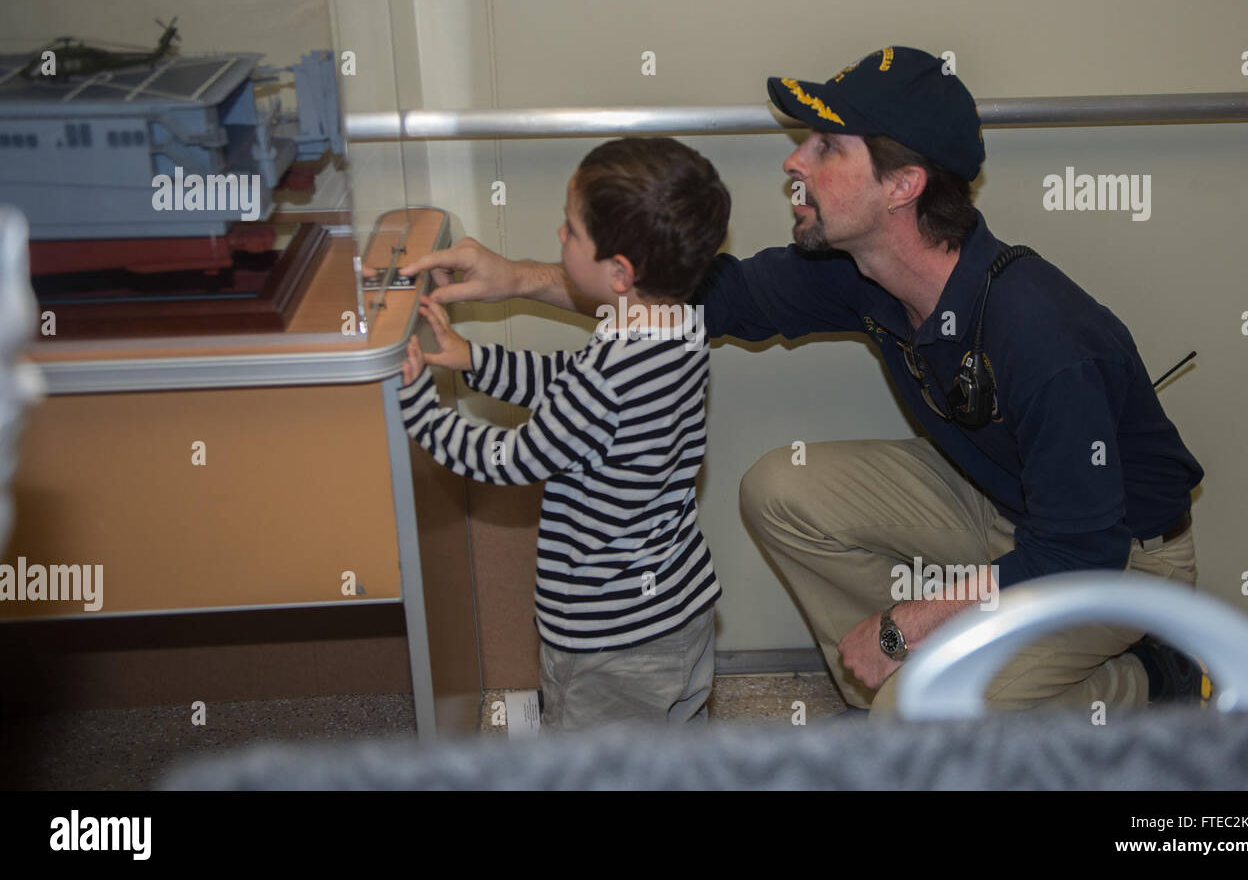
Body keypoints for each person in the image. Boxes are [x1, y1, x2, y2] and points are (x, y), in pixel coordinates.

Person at [400, 46, 1207, 721]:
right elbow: (685, 294)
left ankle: (1140, 681)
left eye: (828, 146)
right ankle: (887, 692)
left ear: (903, 184)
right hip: (1006, 505)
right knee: (779, 488)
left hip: (1110, 560)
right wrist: (511, 276)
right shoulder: (860, 271)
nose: (795, 160)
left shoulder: (1042, 335)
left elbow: (1080, 545)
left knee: (924, 715)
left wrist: (911, 620)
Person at [398, 136, 731, 730]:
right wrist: (476, 359)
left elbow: (510, 459)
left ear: (621, 272)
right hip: (680, 612)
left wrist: (419, 409)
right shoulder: (678, 330)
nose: (558, 236)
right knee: (677, 754)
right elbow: (570, 386)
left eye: (572, 230)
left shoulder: (612, 371)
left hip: (609, 638)